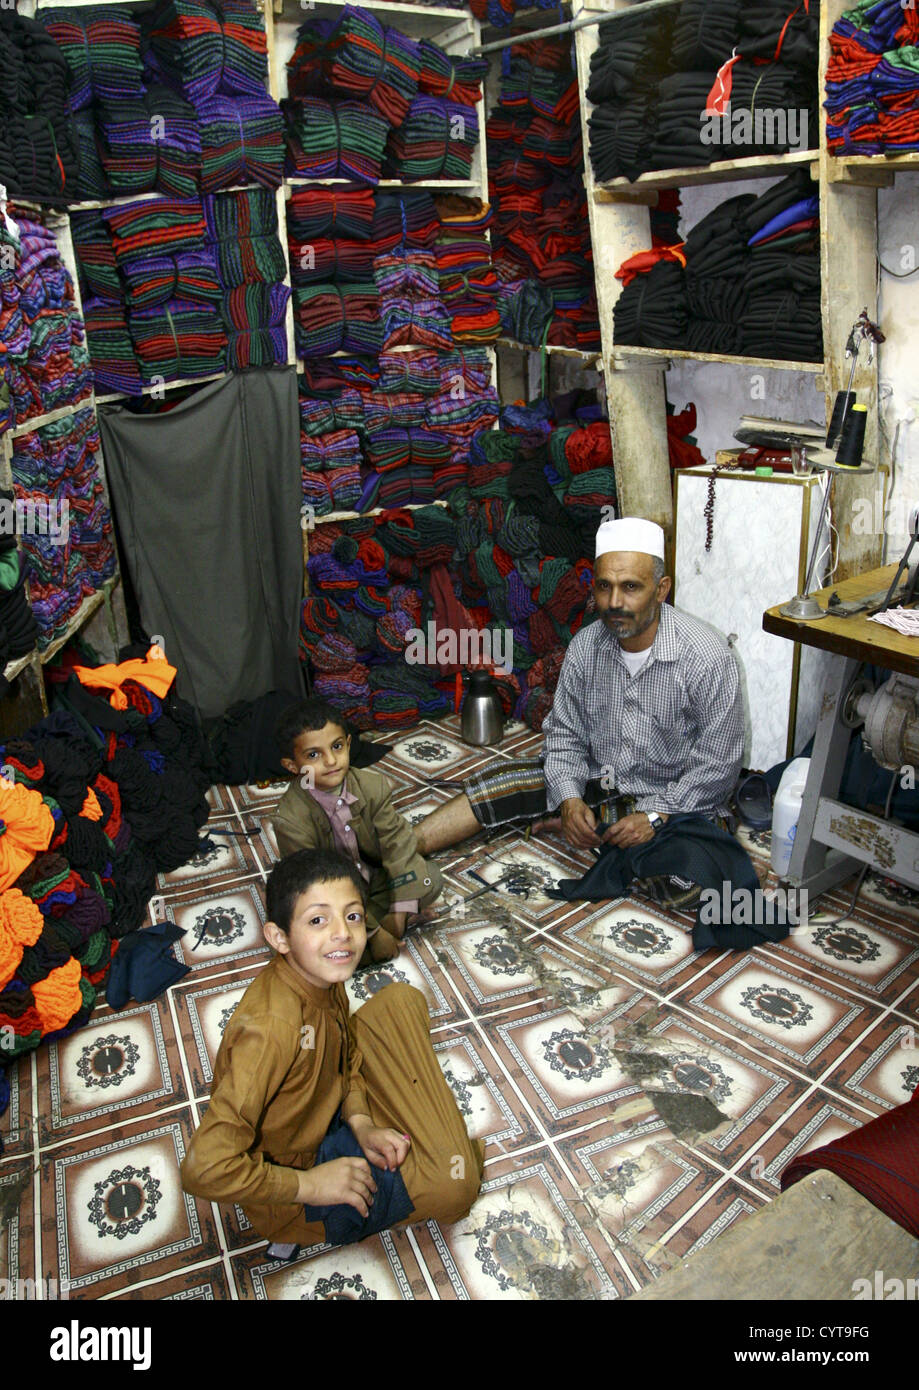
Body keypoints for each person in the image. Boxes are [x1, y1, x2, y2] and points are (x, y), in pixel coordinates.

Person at [416, 517, 746, 906]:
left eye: (631, 587)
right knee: (503, 781)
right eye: (604, 586)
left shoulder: (708, 657)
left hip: (677, 801)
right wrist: (570, 799)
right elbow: (565, 734)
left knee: (690, 880)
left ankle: (605, 833)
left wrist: (656, 816)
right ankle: (402, 848)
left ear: (661, 589)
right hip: (602, 780)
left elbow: (719, 765)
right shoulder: (587, 647)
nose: (614, 602)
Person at [180, 848, 483, 1254]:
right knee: (456, 1186)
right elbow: (202, 1169)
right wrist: (309, 1185)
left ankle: (400, 1119)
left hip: (329, 1110)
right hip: (300, 1182)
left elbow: (344, 1051)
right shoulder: (272, 1033)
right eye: (318, 920)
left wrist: (361, 1121)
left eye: (352, 916)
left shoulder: (319, 974)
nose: (342, 933)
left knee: (401, 1000)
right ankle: (422, 1133)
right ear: (279, 937)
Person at [272, 697, 443, 963]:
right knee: (310, 943)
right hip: (330, 898)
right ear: (292, 766)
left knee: (429, 879)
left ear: (349, 744)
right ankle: (366, 938)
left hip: (372, 883)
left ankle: (381, 928)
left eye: (337, 746)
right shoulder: (290, 820)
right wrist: (374, 932)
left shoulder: (372, 786)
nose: (331, 761)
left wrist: (399, 911)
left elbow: (398, 845)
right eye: (313, 755)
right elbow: (316, 888)